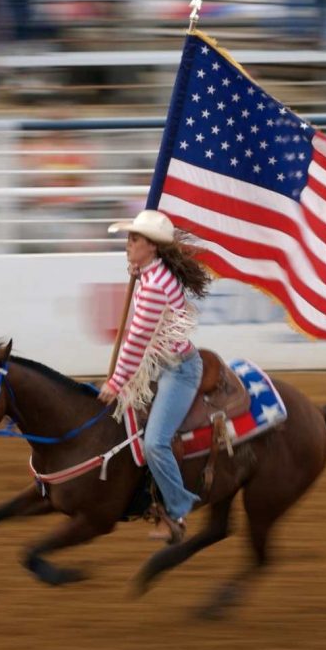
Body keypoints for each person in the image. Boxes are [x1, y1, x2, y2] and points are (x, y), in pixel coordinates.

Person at [98, 209, 213, 544]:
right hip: (161, 363)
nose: (128, 244)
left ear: (151, 246)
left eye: (134, 239)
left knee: (155, 442)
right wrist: (137, 270)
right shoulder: (152, 273)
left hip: (178, 370)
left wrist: (116, 382)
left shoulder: (153, 286)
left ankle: (177, 510)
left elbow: (135, 341)